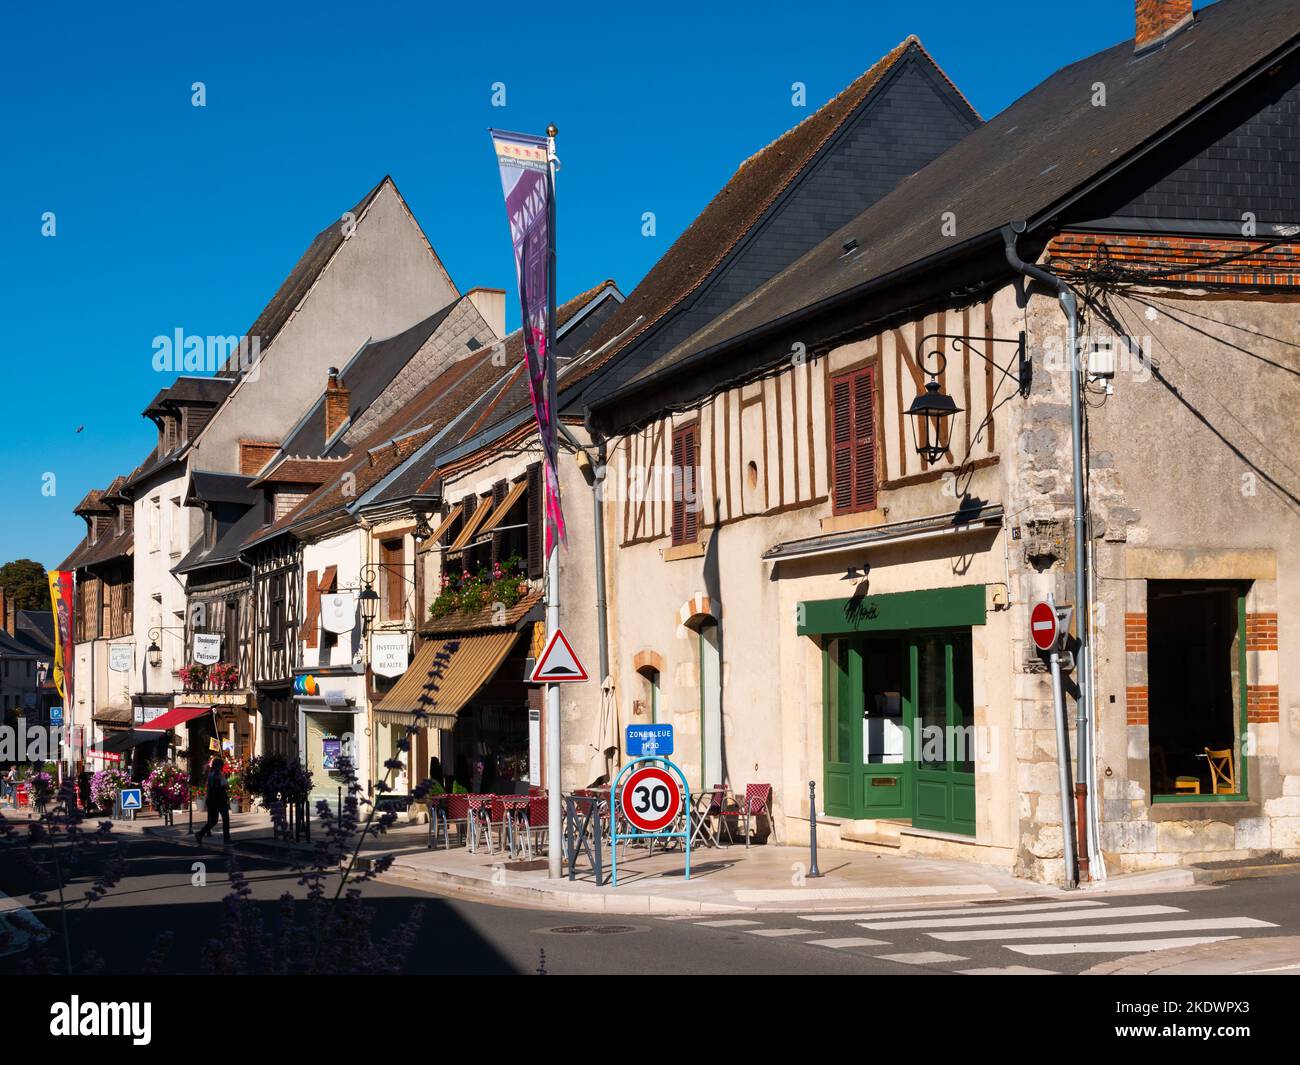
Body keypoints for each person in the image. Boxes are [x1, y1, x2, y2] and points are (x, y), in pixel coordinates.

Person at [194, 756, 230, 845]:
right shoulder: (216, 774)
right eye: (221, 765)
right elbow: (217, 786)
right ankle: (226, 839)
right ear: (217, 766)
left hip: (214, 800)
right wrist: (225, 786)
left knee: (214, 821)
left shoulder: (212, 773)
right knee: (223, 819)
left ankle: (200, 834)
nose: (222, 767)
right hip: (218, 800)